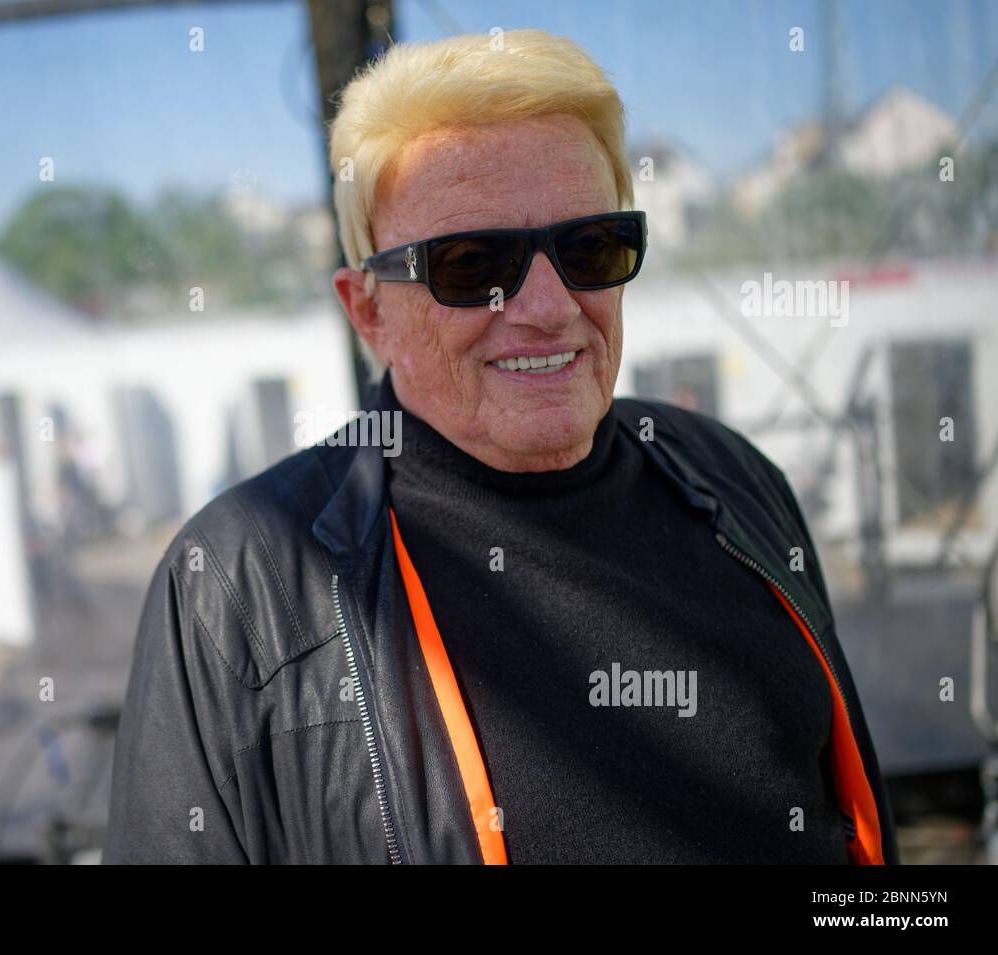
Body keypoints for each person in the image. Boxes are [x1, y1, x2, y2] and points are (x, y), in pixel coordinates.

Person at [104, 29, 897, 864]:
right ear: (368, 309)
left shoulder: (735, 479)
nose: (550, 306)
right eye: (474, 263)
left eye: (592, 247)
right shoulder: (240, 580)